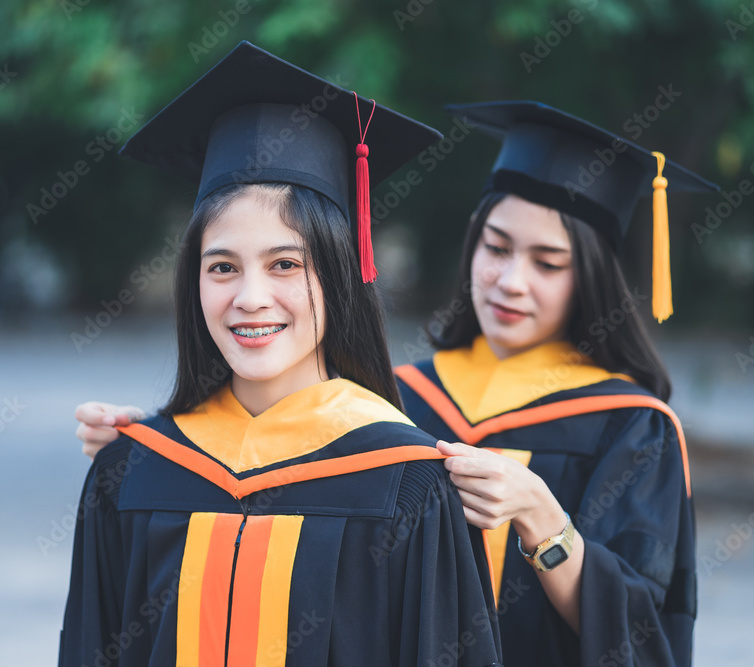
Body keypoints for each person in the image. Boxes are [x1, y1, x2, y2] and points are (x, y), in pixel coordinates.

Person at [74, 99, 717, 665]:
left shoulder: (629, 424)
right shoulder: (402, 398)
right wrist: (161, 451)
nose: (511, 280)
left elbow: (649, 638)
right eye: (495, 248)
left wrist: (544, 520)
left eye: (548, 261)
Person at [58, 42, 504, 667]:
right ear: (193, 282)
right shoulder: (131, 473)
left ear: (342, 275)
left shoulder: (406, 483)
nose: (250, 298)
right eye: (222, 267)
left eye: (286, 264)